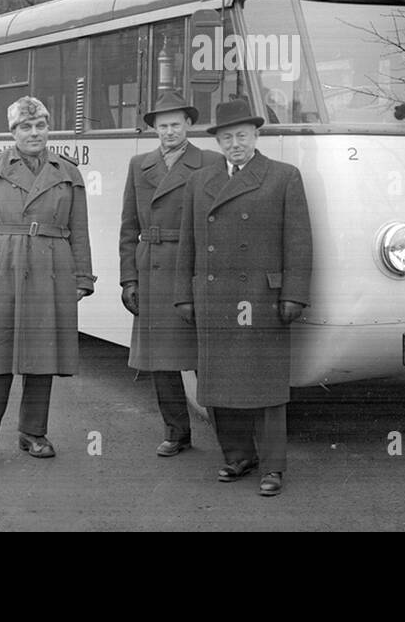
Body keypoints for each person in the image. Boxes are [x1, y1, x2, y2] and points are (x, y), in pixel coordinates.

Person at [174, 98, 312, 496]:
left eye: (242, 135)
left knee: (266, 387)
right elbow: (190, 242)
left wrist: (294, 295)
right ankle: (237, 456)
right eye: (227, 137)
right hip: (214, 296)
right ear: (217, 141)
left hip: (262, 297)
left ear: (256, 136)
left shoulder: (284, 176)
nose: (235, 143)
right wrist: (184, 294)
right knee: (219, 383)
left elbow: (299, 242)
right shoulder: (200, 181)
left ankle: (272, 467)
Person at [0, 96, 95, 468]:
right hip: (1, 267)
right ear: (13, 132)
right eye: (25, 127)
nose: (34, 133)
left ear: (49, 129)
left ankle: (33, 433)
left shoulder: (67, 171)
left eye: (41, 126)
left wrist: (82, 277)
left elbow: (78, 230)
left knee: (41, 355)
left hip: (52, 269)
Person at [118, 92, 203, 456]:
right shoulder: (139, 165)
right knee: (160, 360)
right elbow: (128, 226)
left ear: (188, 124)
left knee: (205, 355)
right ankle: (176, 432)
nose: (169, 131)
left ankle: (233, 437)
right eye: (162, 126)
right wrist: (129, 279)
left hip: (194, 266)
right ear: (154, 129)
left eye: (176, 124)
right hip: (150, 267)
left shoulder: (210, 162)